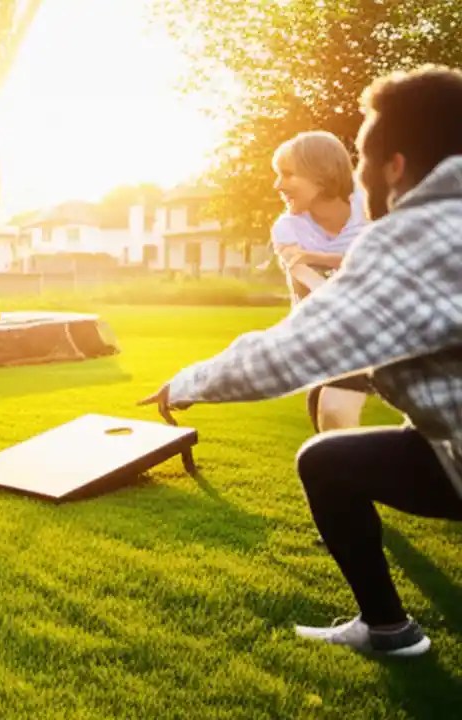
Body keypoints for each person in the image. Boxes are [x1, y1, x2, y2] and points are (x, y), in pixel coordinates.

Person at [141, 64, 462, 657]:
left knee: (326, 462)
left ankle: (388, 629)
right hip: (439, 440)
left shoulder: (414, 238)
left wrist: (188, 381)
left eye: (364, 164)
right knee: (376, 445)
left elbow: (292, 354)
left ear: (393, 168)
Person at [269, 131, 372, 432]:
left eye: (288, 174)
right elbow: (302, 273)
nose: (278, 185)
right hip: (326, 335)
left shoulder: (369, 203)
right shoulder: (287, 227)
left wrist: (320, 257)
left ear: (321, 174)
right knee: (331, 412)